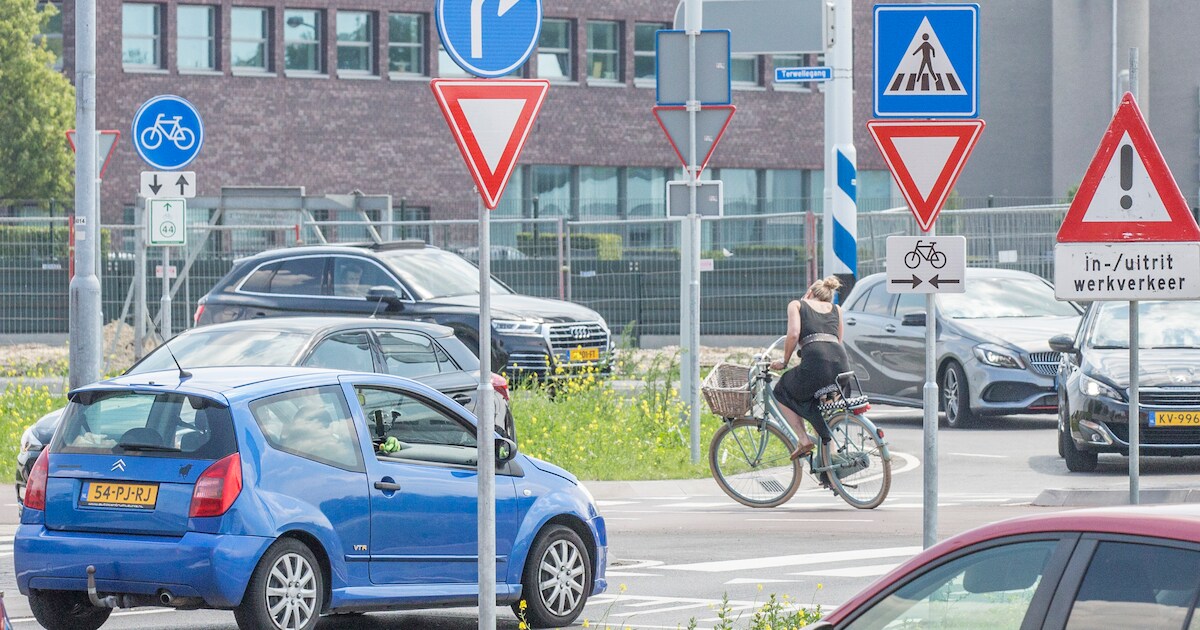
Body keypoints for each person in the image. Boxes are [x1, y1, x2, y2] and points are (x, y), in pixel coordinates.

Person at [769, 275, 852, 461]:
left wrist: (784, 360)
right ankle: (830, 467)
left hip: (817, 364)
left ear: (809, 292)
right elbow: (837, 341)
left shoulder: (797, 305)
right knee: (822, 412)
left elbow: (793, 334)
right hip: (842, 368)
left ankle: (803, 439)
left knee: (781, 390)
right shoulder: (836, 309)